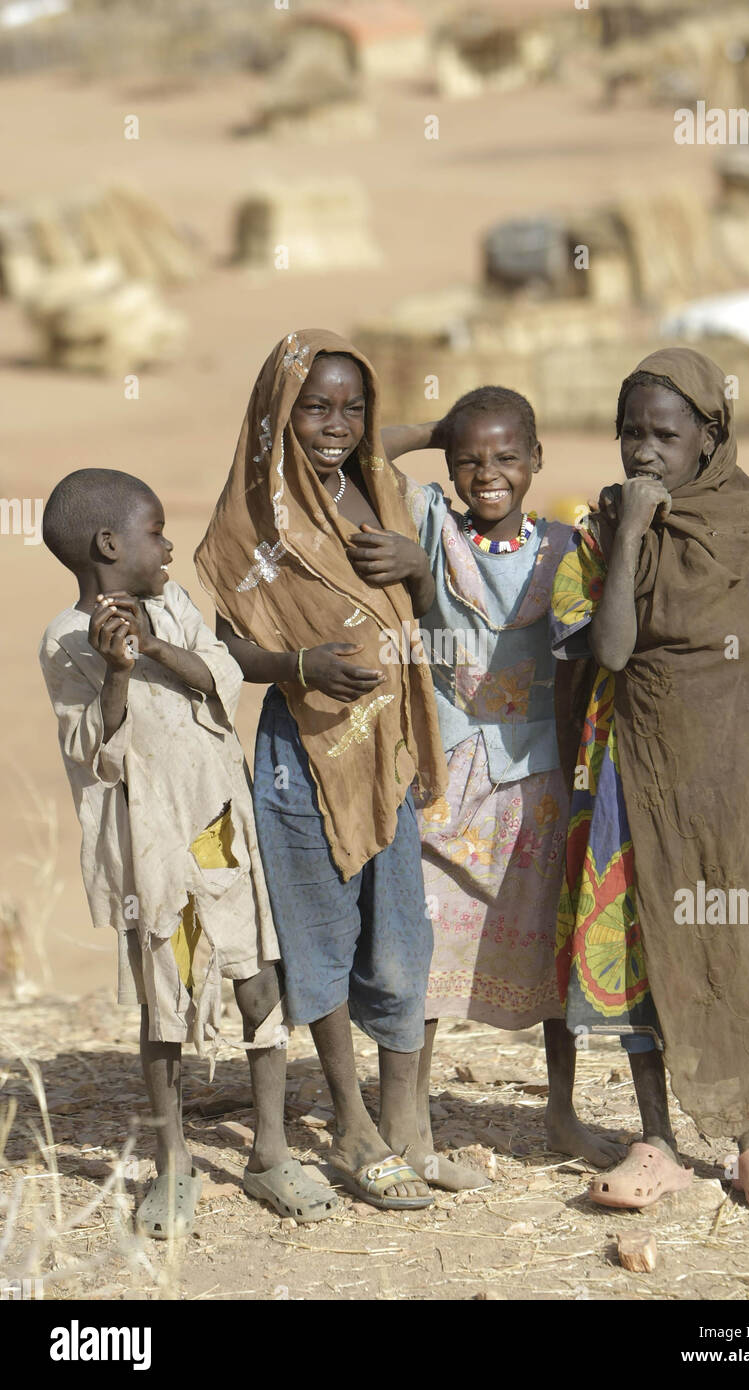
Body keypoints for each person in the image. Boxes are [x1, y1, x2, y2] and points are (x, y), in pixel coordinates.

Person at [39, 469, 337, 1237]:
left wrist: (156, 646)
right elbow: (95, 754)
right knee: (164, 1002)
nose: (169, 545)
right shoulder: (66, 642)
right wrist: (117, 669)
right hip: (152, 848)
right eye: (157, 531)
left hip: (219, 825)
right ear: (110, 544)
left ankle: (269, 1151)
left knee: (255, 978)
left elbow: (222, 678)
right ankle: (175, 1165)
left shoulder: (172, 605)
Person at [550, 348, 749, 1210]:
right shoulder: (607, 523)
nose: (644, 451)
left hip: (733, 777)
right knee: (638, 937)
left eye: (664, 433)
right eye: (630, 432)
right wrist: (629, 532)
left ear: (710, 434)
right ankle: (656, 1140)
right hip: (641, 767)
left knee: (734, 933)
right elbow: (615, 649)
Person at [195, 330, 449, 1211]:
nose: (335, 425)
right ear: (278, 412)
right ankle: (349, 1121)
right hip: (299, 756)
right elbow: (228, 648)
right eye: (314, 407)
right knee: (319, 938)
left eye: (352, 407)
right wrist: (302, 666)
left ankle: (403, 1120)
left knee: (400, 939)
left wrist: (417, 569)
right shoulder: (250, 520)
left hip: (390, 746)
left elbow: (423, 609)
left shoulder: (383, 490)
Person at [383, 388, 627, 1189]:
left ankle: (561, 1110)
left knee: (551, 955)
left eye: (506, 456)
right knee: (423, 949)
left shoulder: (566, 545)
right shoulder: (431, 527)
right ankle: (410, 1119)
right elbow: (359, 459)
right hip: (444, 776)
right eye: (468, 459)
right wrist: (432, 430)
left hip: (540, 782)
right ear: (450, 466)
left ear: (537, 460)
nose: (488, 472)